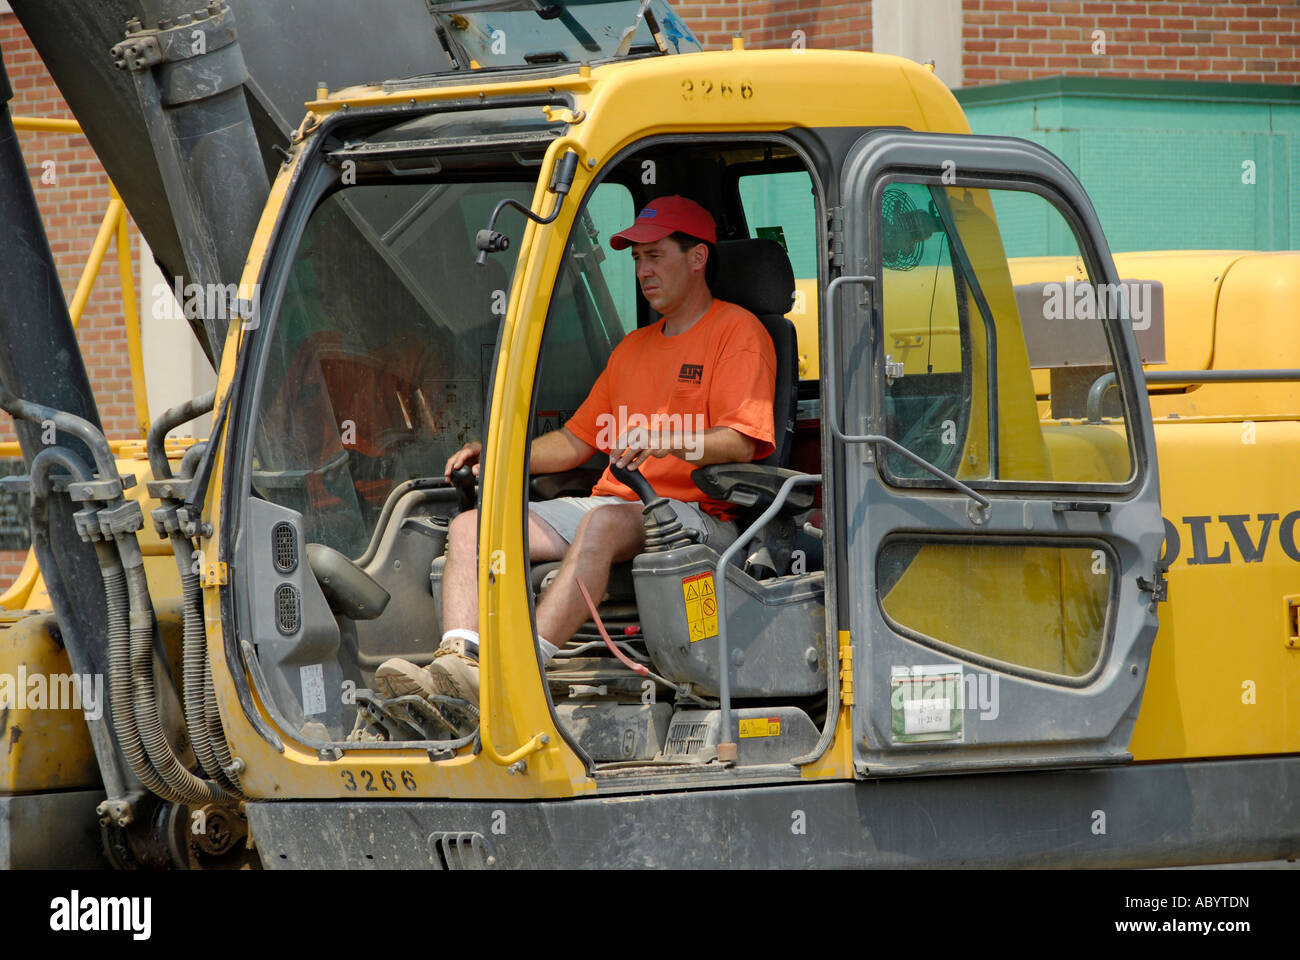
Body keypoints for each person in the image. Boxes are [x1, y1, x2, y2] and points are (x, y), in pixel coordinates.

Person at [373, 195, 776, 721]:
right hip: (617, 506)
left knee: (604, 524)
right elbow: (574, 443)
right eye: (636, 260)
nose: (643, 271)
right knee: (472, 528)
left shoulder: (738, 334)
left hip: (698, 517)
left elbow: (742, 442)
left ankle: (515, 676)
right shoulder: (631, 350)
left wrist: (668, 438)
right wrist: (497, 454)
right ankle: (460, 670)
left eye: (655, 256)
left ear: (697, 258)